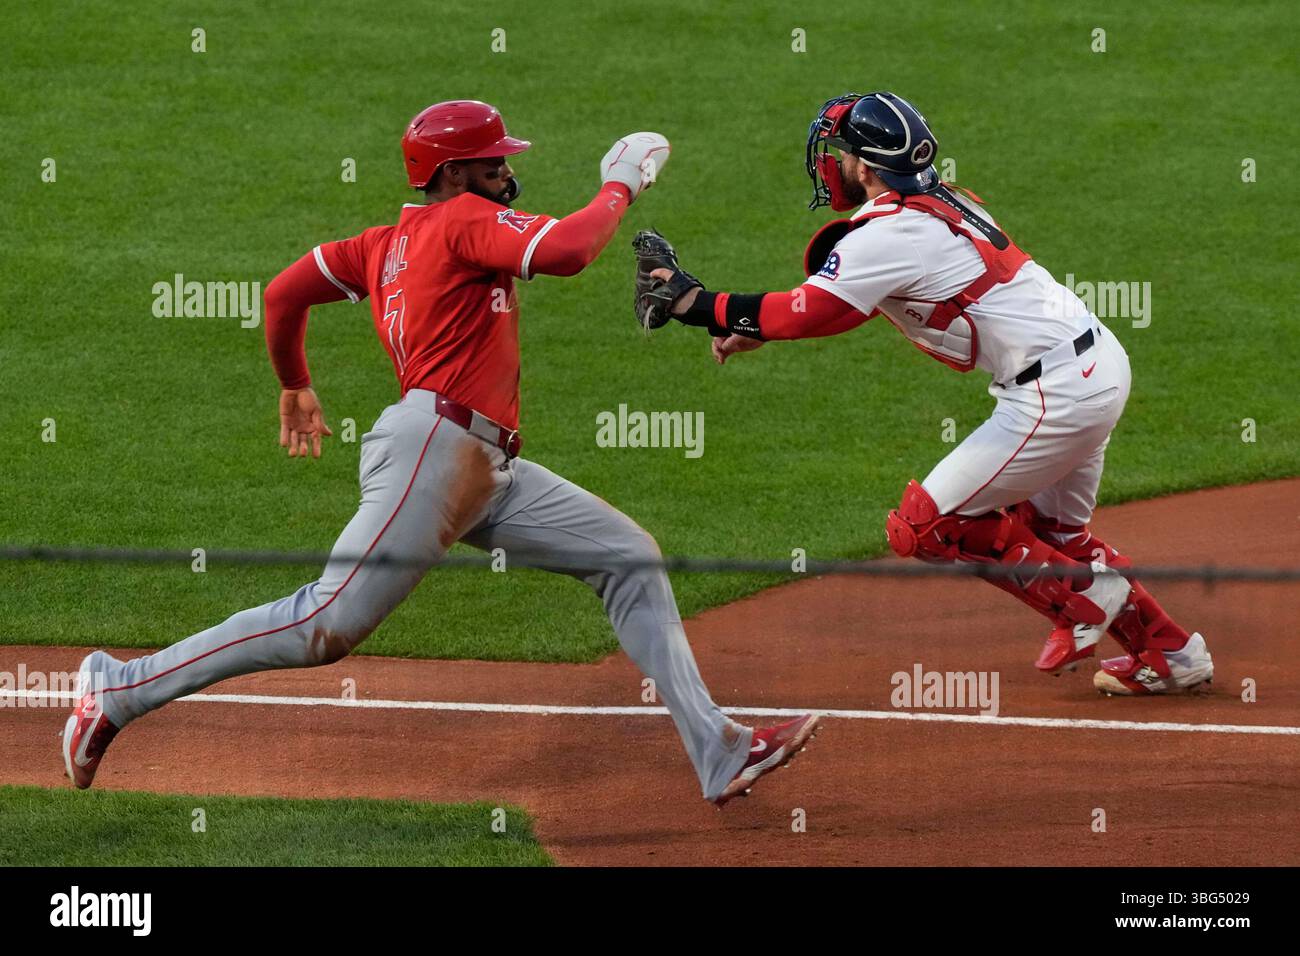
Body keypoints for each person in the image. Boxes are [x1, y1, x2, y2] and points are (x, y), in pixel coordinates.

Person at [63, 100, 818, 805]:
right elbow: (572, 250)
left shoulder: (380, 244)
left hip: (486, 467)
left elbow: (282, 293)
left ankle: (720, 750)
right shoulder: (461, 220)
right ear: (452, 176)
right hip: (435, 450)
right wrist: (622, 180)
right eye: (492, 164)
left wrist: (294, 382)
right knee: (321, 625)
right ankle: (119, 687)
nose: (506, 173)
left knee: (629, 559)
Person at [643, 91, 1212, 696]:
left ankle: (1086, 596)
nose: (830, 165)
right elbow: (843, 307)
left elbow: (808, 310)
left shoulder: (888, 234)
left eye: (838, 154)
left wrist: (693, 304)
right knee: (1055, 539)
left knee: (926, 526)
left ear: (864, 166)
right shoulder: (943, 203)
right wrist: (754, 328)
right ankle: (1171, 652)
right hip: (1097, 365)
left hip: (1055, 395)